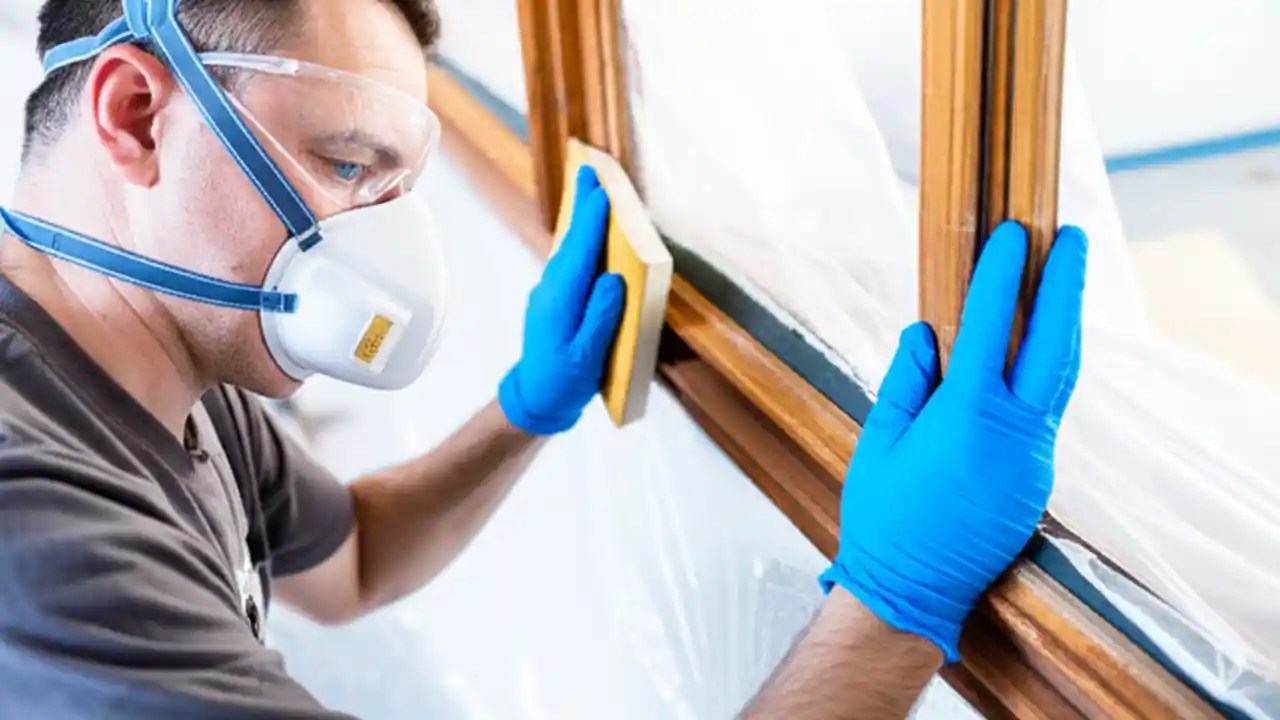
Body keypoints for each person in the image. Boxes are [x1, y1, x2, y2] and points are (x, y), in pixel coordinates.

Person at [0, 0, 1086, 717]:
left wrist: (526, 407)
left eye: (395, 185)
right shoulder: (36, 525)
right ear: (137, 112)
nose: (382, 244)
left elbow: (352, 563)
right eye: (343, 163)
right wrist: (896, 602)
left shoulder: (156, 364)